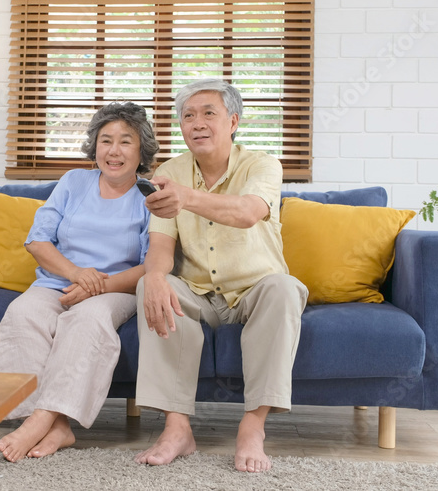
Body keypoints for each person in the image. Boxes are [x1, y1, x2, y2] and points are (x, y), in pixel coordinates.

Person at [132, 79, 308, 473]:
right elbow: (160, 248)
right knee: (152, 282)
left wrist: (187, 197)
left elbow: (247, 212)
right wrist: (156, 278)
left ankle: (252, 426)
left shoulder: (262, 165)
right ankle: (177, 429)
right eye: (188, 116)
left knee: (285, 288)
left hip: (254, 289)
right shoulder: (169, 170)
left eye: (208, 113)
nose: (197, 123)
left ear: (233, 121)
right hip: (197, 291)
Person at [0, 101, 158, 462]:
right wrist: (76, 274)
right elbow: (37, 239)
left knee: (87, 320)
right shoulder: (73, 181)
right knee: (22, 315)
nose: (114, 151)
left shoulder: (150, 195)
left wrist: (96, 286)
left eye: (125, 141)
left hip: (118, 287)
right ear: (94, 146)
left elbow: (152, 265)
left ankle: (40, 421)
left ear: (142, 149)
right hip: (59, 281)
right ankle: (58, 428)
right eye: (106, 140)